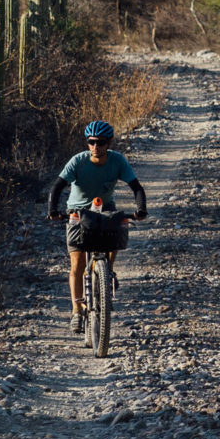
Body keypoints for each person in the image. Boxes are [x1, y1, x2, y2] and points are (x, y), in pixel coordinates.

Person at [46, 119, 147, 330]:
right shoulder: (78, 161)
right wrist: (53, 211)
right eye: (91, 142)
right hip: (77, 211)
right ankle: (76, 311)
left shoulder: (117, 161)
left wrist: (140, 209)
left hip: (104, 208)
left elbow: (136, 187)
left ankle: (107, 271)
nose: (95, 146)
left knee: (118, 226)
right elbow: (57, 186)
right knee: (77, 264)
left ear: (109, 143)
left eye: (100, 142)